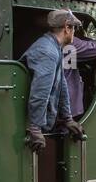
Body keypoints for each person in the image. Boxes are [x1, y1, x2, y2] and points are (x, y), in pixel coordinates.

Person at [23, 9, 85, 152]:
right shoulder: (47, 52)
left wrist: (68, 118)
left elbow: (62, 83)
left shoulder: (54, 47)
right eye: (73, 28)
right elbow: (40, 93)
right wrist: (35, 128)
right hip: (26, 120)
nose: (74, 32)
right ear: (66, 27)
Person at [64, 31, 96, 120]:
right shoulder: (67, 41)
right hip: (66, 107)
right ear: (66, 27)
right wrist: (81, 36)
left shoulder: (42, 40)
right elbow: (95, 49)